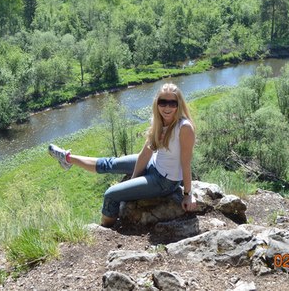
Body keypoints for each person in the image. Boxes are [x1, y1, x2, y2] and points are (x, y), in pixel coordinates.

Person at [48, 83, 197, 228]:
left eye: (172, 103)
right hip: (153, 163)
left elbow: (186, 163)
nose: (167, 107)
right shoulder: (158, 121)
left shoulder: (184, 128)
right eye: (163, 102)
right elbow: (145, 154)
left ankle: (105, 229)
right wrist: (134, 180)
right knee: (109, 163)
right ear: (156, 103)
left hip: (165, 181)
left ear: (179, 105)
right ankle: (67, 158)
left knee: (110, 195)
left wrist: (188, 194)